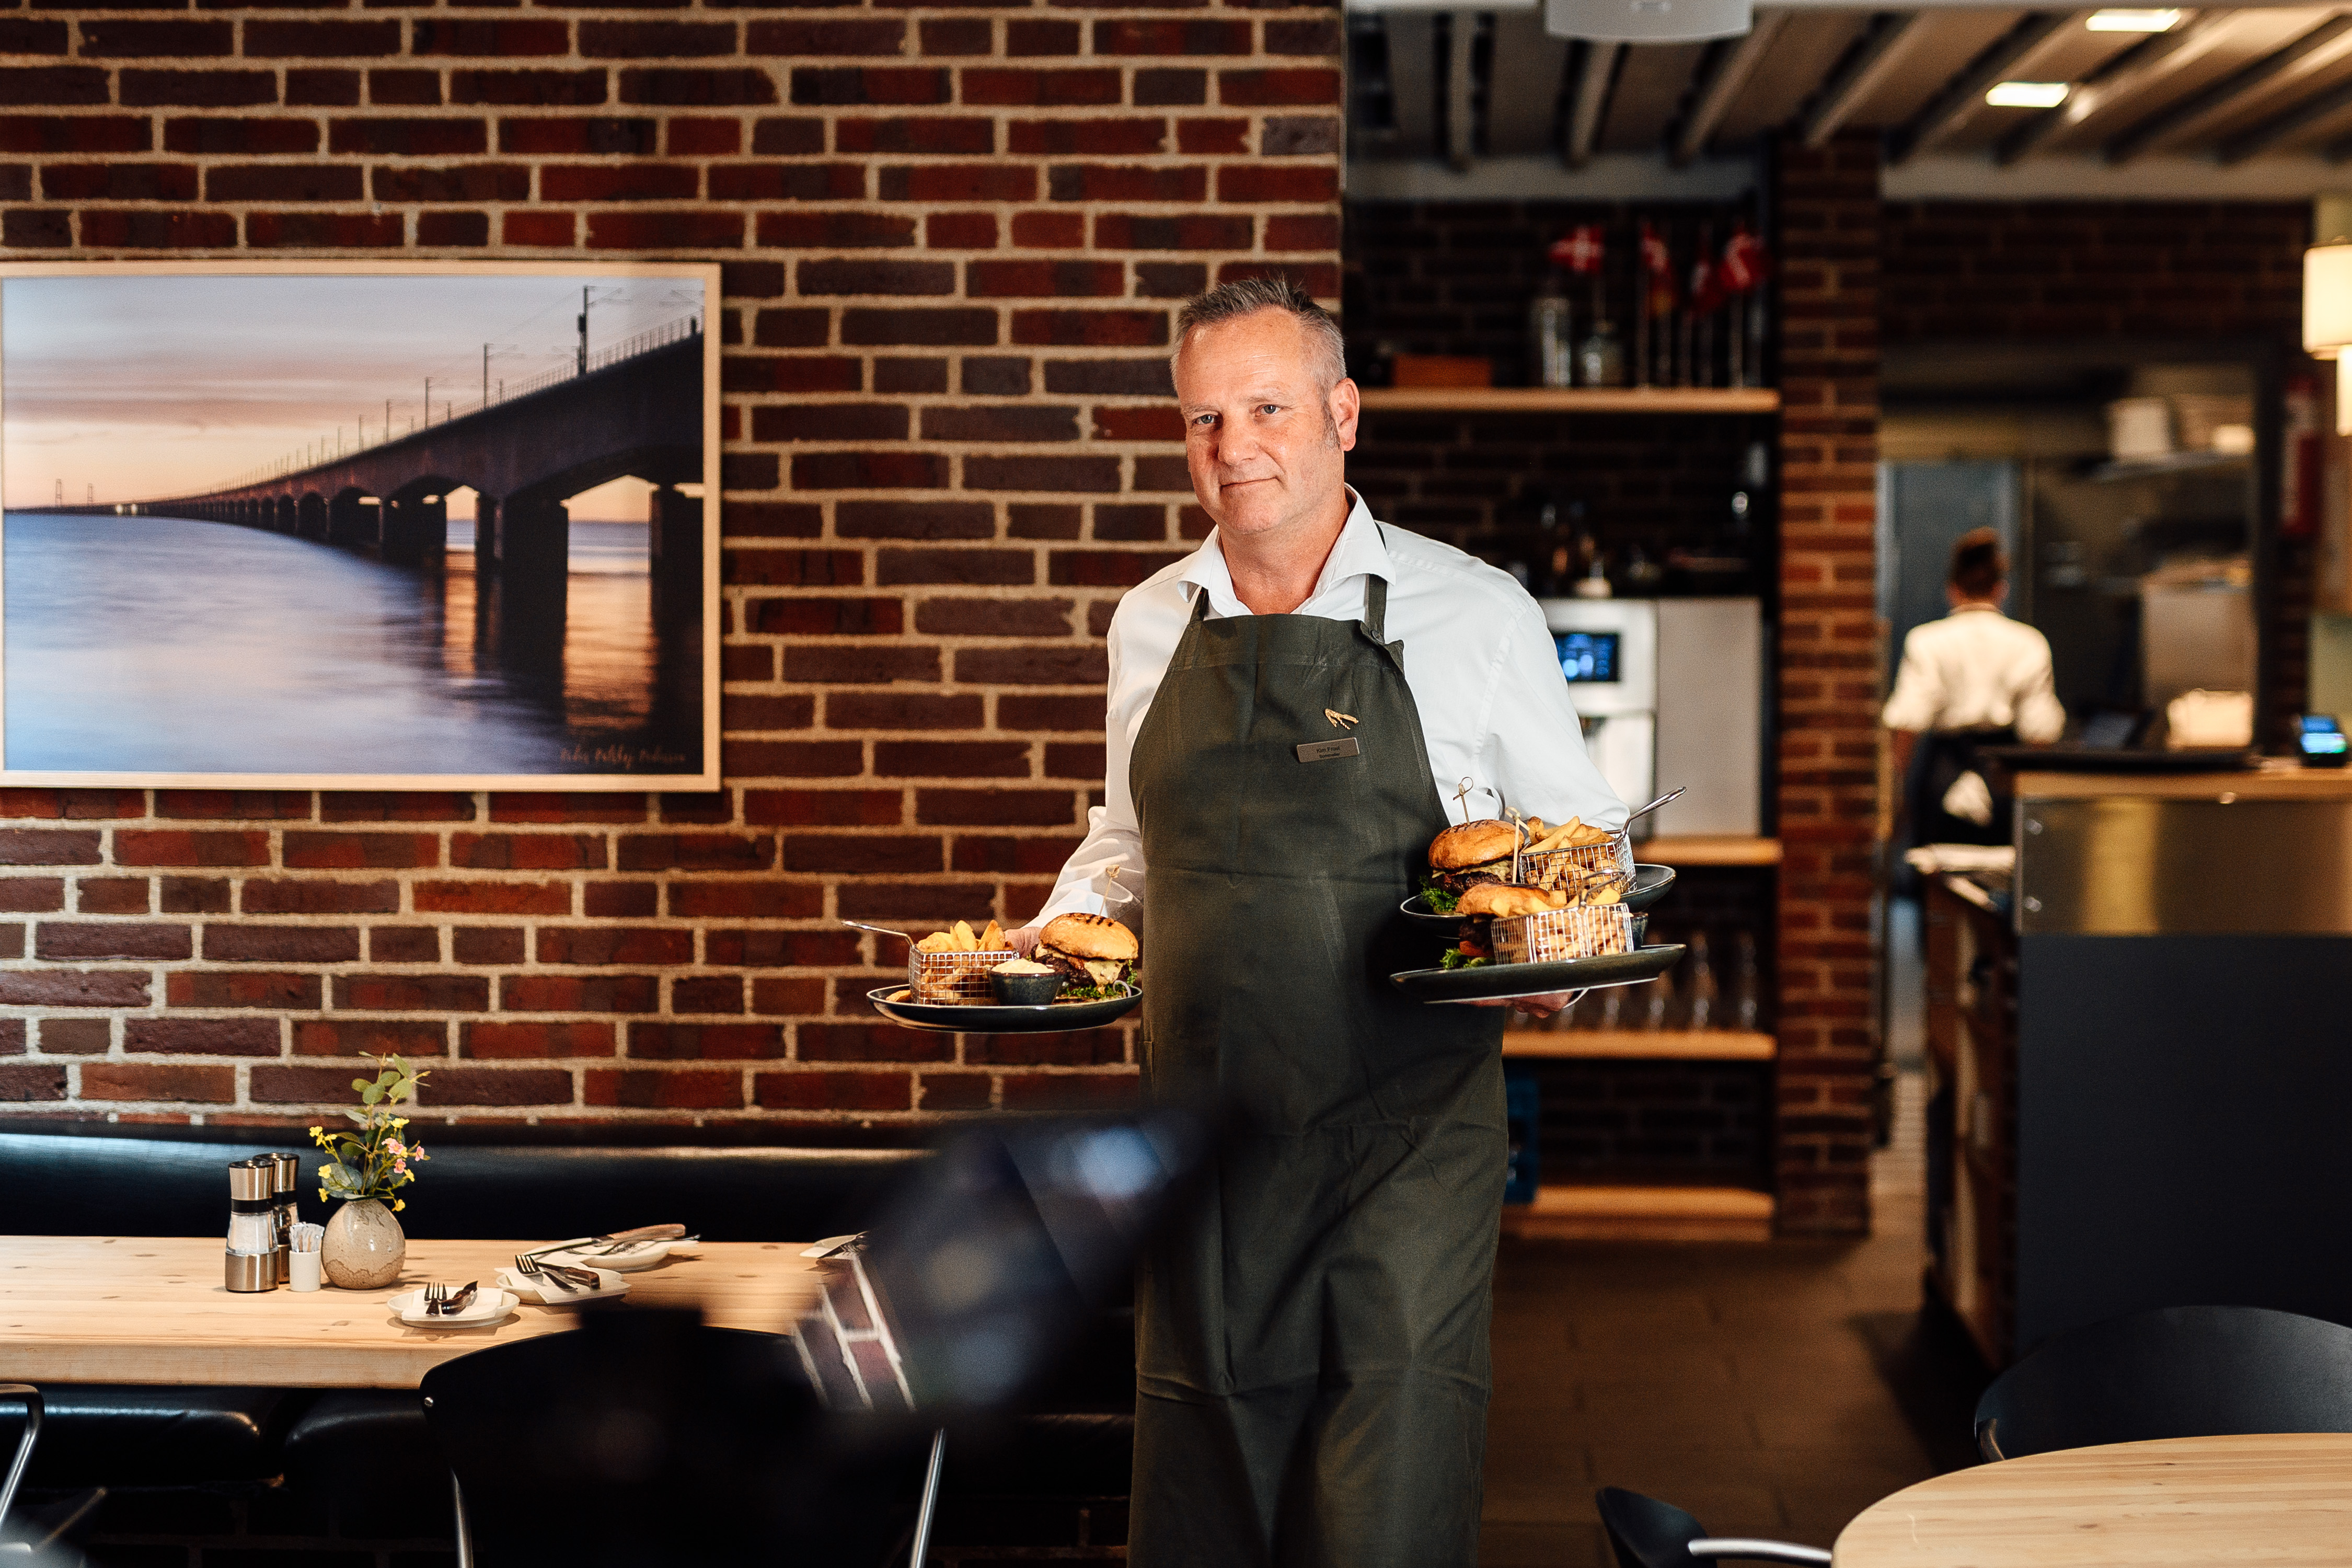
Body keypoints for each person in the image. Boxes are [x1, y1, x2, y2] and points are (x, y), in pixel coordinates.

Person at [1011, 278, 1624, 1567]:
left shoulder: (1475, 612)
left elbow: (1582, 860)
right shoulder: (1148, 621)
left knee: (1384, 1490)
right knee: (1205, 1488)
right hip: (1201, 1150)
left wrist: (1550, 966)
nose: (1232, 446)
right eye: (1201, 420)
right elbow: (1127, 844)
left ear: (1342, 416)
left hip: (1398, 1146)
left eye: (1266, 408)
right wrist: (1048, 940)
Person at [1882, 527, 2064, 850]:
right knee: (2001, 884)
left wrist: (1896, 799)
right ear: (2001, 589)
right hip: (2003, 775)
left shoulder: (1926, 641)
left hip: (1940, 772)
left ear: (1953, 590)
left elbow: (1908, 727)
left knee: (1935, 881)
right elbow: (2040, 734)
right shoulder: (2029, 643)